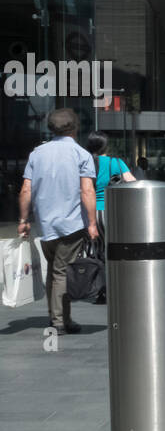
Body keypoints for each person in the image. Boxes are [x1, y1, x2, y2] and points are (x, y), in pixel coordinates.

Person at [17, 108, 99, 333]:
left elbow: (26, 189)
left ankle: (61, 317)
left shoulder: (37, 154)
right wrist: (92, 223)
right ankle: (59, 322)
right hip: (71, 224)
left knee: (55, 269)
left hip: (45, 225)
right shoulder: (81, 154)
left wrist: (23, 219)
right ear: (74, 127)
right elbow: (87, 191)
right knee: (61, 271)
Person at [85, 132, 136, 239]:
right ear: (106, 146)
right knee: (111, 248)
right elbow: (133, 183)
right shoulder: (116, 162)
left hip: (87, 214)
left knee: (92, 249)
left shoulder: (84, 163)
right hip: (111, 213)